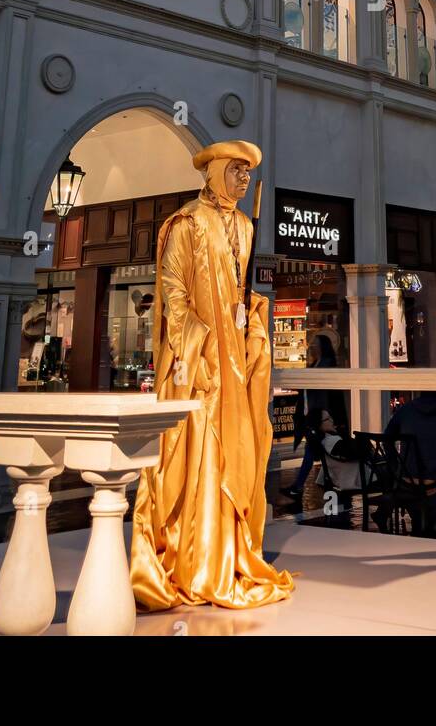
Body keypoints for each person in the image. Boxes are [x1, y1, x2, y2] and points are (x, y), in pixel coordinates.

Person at [131, 140, 294, 610]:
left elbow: (242, 292)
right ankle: (192, 559)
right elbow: (174, 290)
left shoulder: (244, 226)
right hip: (198, 363)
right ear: (215, 171)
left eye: (248, 172)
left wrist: (250, 318)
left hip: (235, 364)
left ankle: (230, 551)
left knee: (237, 450)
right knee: (197, 451)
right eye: (237, 170)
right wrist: (192, 350)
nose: (244, 179)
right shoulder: (186, 224)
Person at [374, 392, 436, 531]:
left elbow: (387, 438)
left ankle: (416, 516)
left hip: (405, 480)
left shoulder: (405, 410)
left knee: (405, 473)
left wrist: (395, 464)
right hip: (432, 484)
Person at [286, 334, 345, 500]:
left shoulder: (325, 366)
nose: (312, 347)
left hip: (320, 419)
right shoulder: (315, 365)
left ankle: (300, 488)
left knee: (313, 452)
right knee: (312, 453)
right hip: (313, 418)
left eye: (315, 345)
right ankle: (302, 487)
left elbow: (328, 395)